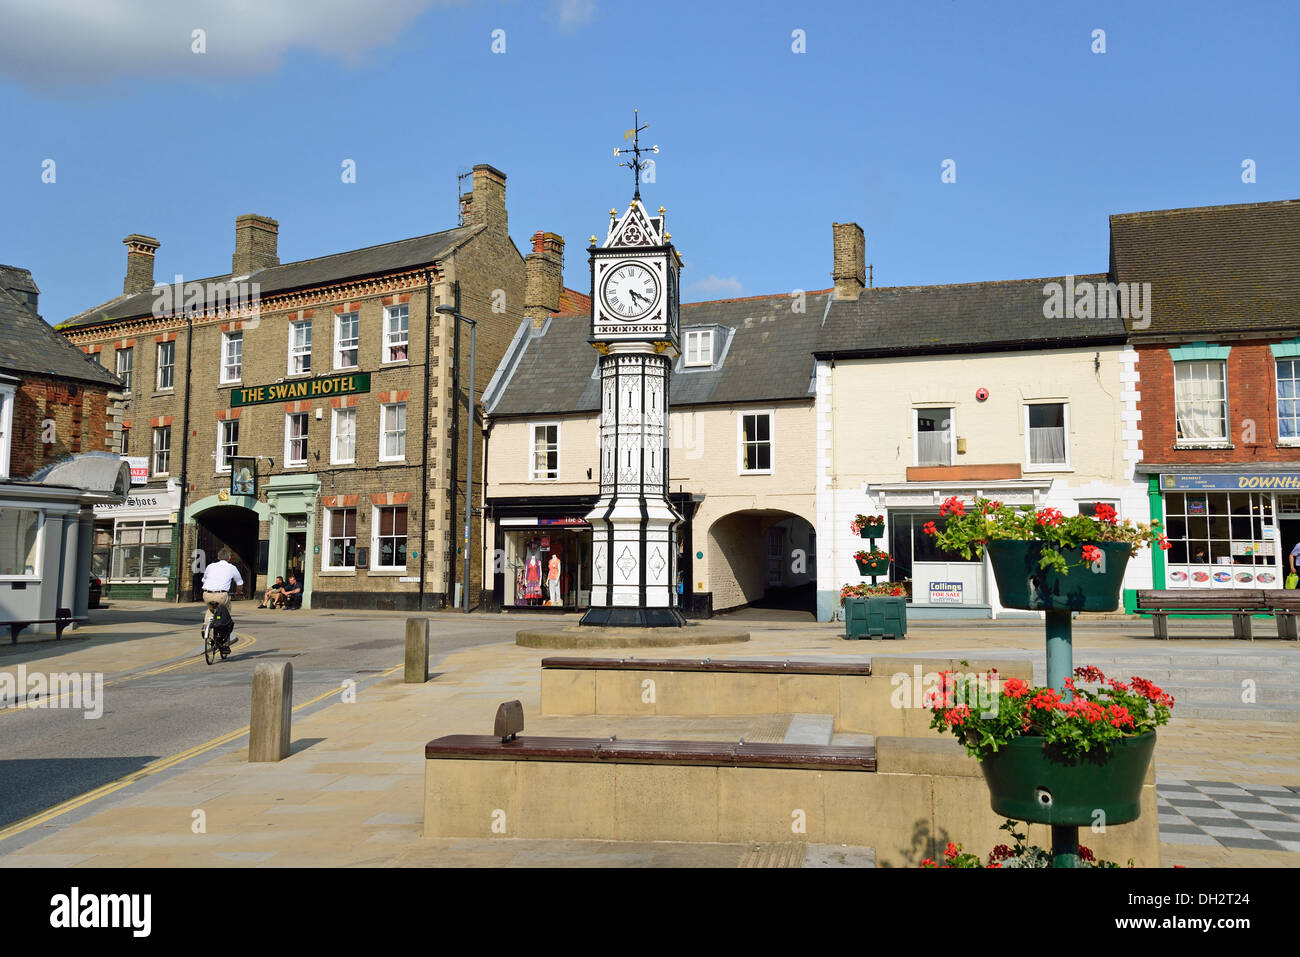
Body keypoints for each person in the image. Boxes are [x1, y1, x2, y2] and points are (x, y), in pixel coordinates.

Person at [201, 547, 243, 633]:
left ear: (218, 557)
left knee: (211, 609)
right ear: (229, 558)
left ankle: (205, 626)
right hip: (221, 595)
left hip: (207, 594)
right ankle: (223, 630)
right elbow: (239, 583)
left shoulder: (210, 566)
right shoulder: (232, 568)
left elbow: (204, 580)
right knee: (226, 609)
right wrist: (238, 593)